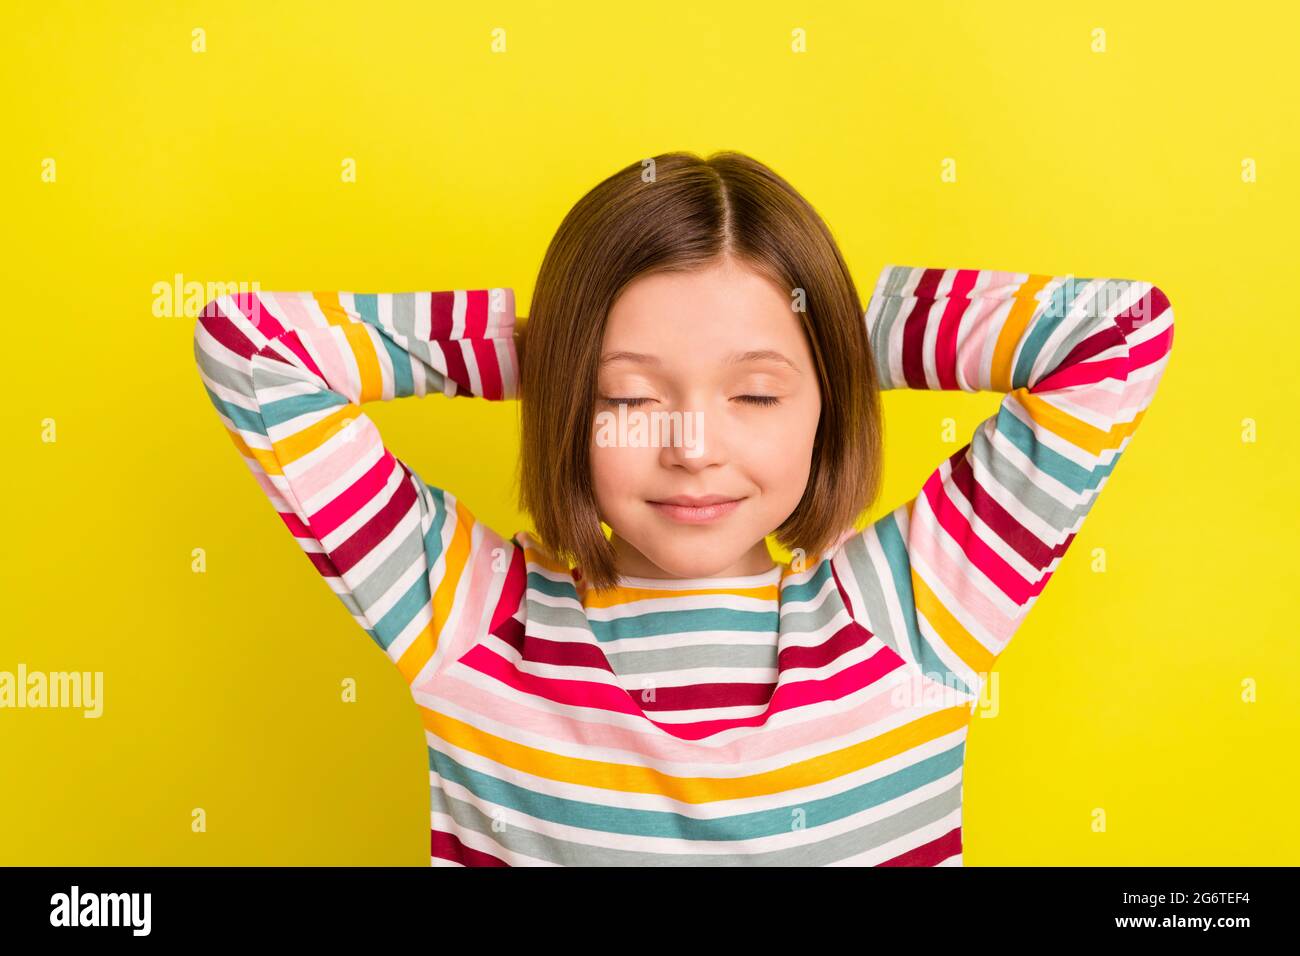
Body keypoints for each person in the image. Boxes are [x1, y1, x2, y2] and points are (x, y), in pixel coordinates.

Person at [192, 150, 1174, 866]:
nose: (693, 445)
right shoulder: (472, 620)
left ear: (822, 396)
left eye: (754, 392)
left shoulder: (912, 609)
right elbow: (252, 347)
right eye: (628, 396)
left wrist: (843, 325)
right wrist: (552, 343)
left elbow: (1120, 335)